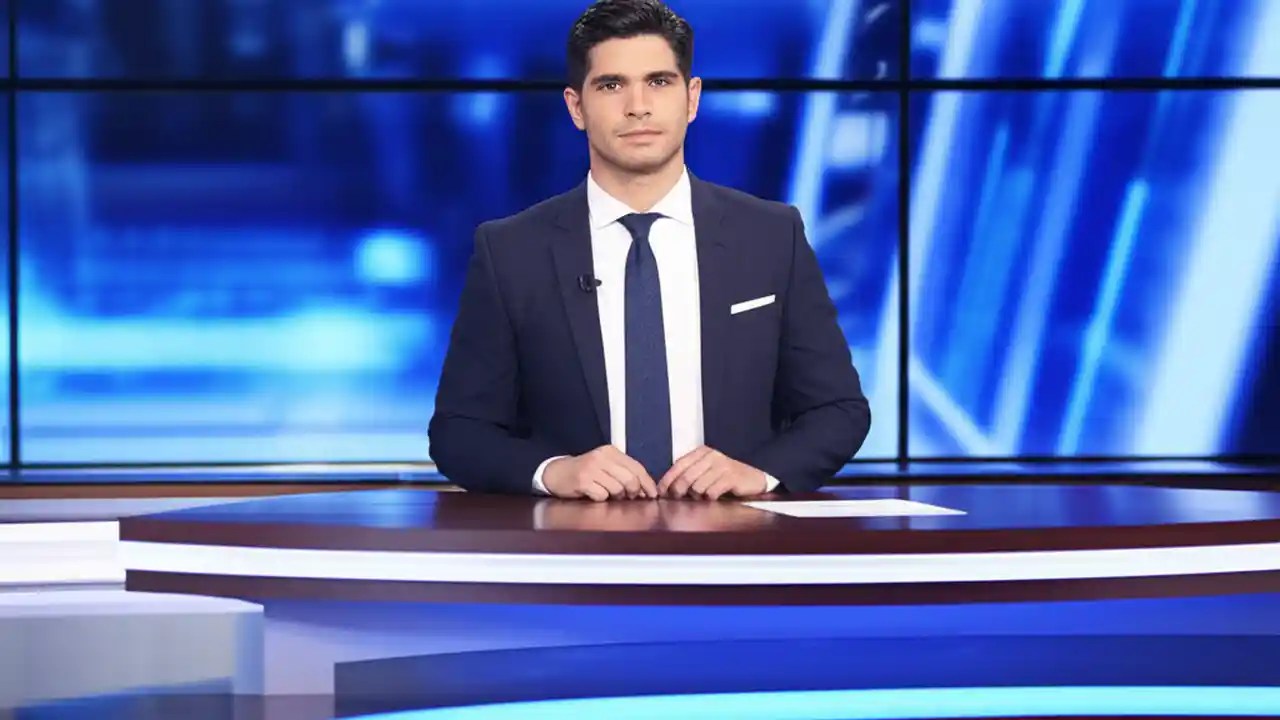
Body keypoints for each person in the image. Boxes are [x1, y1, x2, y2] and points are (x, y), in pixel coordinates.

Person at [428, 0, 870, 500]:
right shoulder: (511, 249)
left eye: (659, 82)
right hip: (574, 548)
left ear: (692, 98)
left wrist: (759, 472)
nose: (637, 105)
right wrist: (554, 472)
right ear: (576, 107)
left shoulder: (771, 235)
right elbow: (458, 432)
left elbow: (838, 410)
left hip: (736, 544)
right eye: (611, 85)